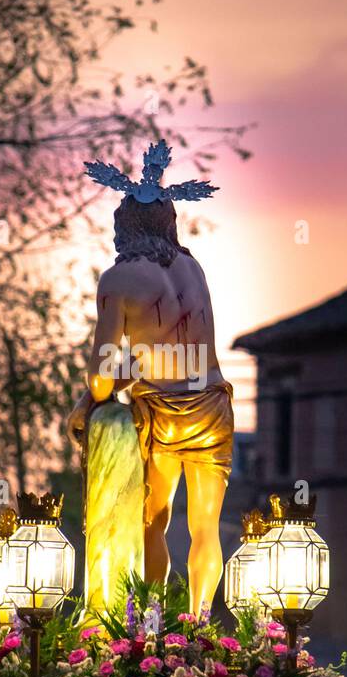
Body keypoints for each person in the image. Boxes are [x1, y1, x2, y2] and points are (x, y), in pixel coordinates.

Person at [68, 140, 233, 614]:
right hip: (213, 405)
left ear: (123, 228)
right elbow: (179, 350)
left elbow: (101, 380)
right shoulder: (192, 267)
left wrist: (97, 390)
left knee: (152, 523)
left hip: (162, 412)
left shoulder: (118, 281)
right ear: (168, 223)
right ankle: (201, 630)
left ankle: (152, 628)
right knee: (206, 529)